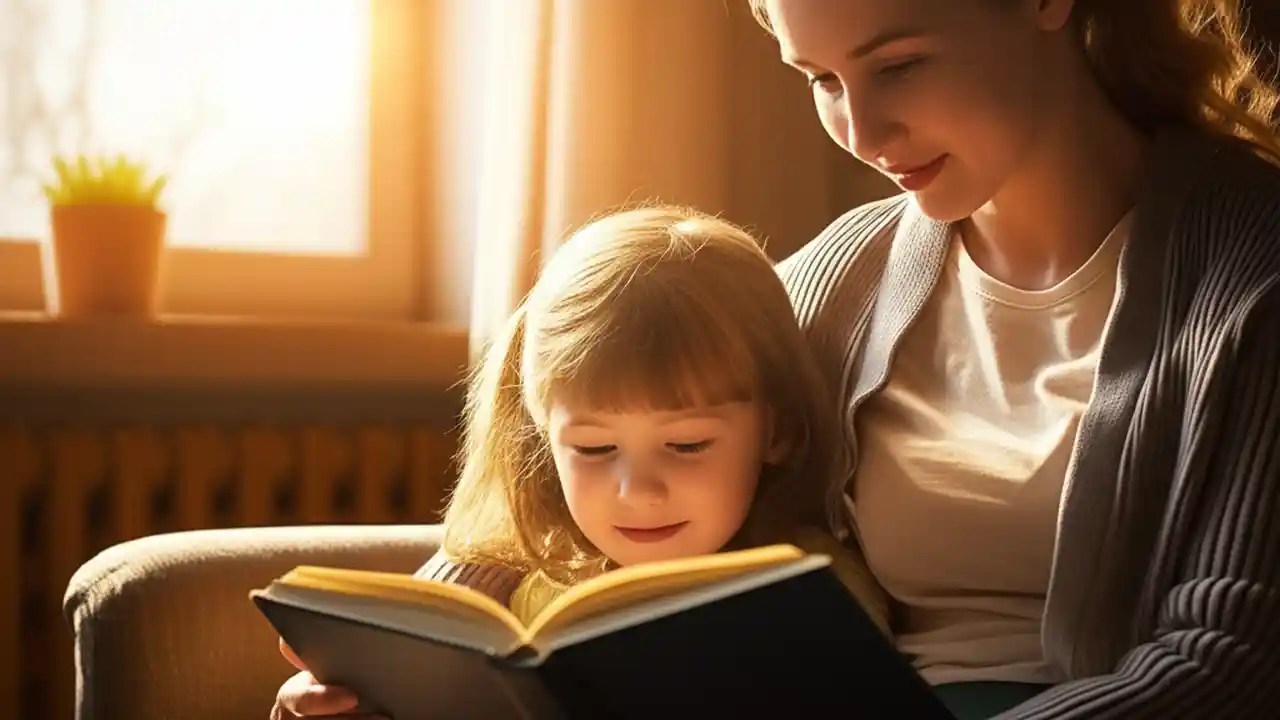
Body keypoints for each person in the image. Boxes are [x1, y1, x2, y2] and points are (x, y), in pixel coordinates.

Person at [750, 0, 1280, 718]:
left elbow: (1231, 662)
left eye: (900, 66)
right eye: (823, 80)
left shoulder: (1253, 279)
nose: (864, 136)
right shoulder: (832, 286)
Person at [269, 206, 889, 720]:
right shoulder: (520, 582)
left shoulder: (815, 594)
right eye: (593, 449)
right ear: (544, 437)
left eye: (687, 446)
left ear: (777, 432)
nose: (636, 491)